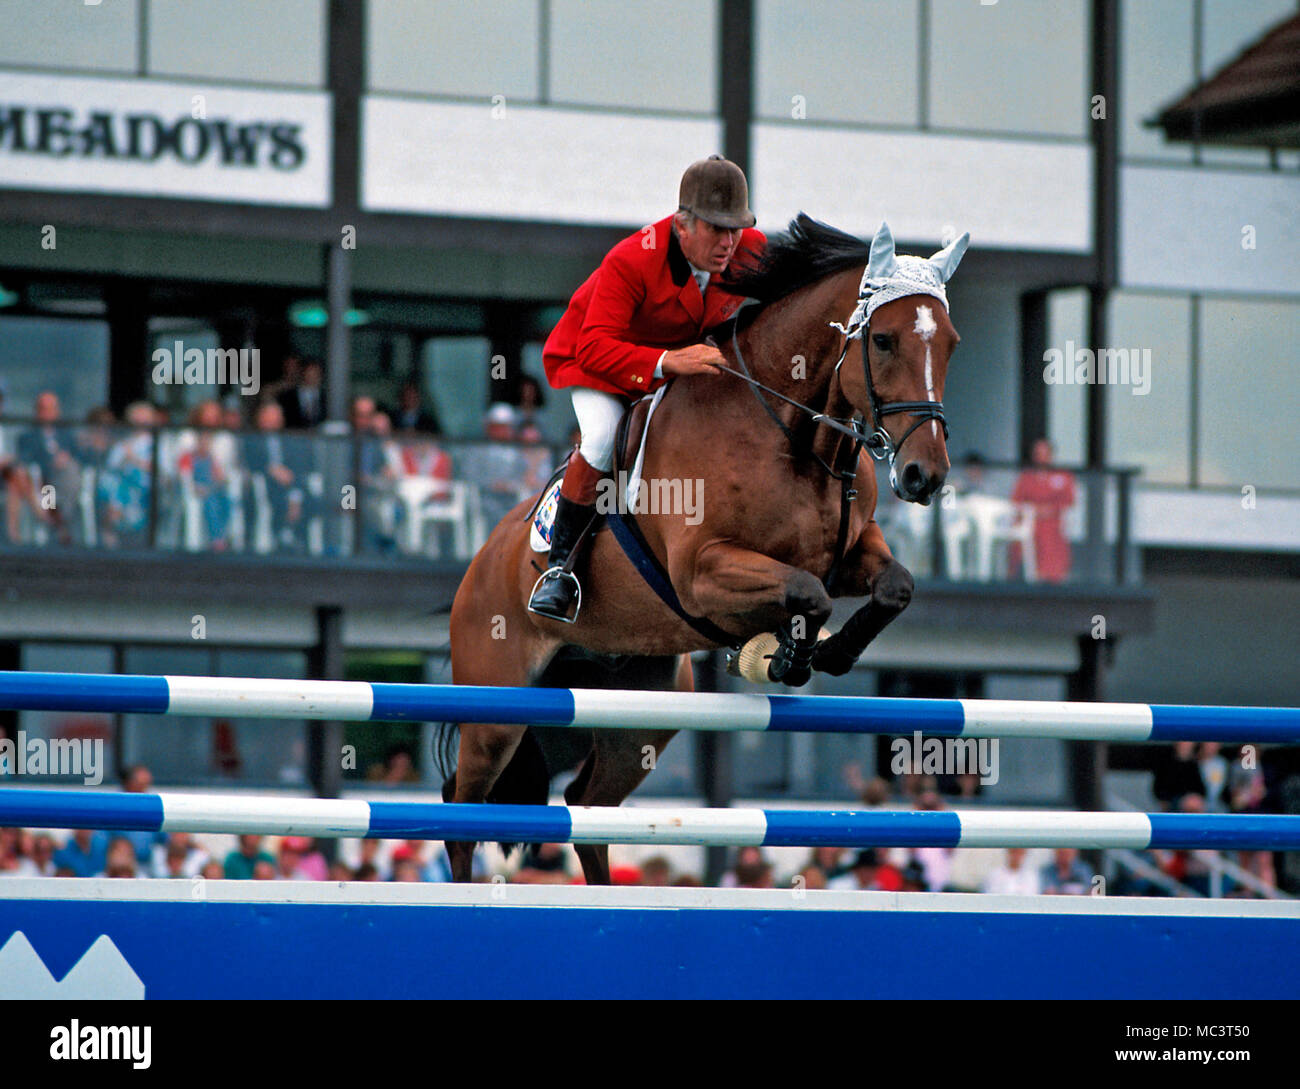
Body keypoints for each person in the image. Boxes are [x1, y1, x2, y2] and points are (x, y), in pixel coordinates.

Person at [528, 155, 765, 620]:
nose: (728, 243)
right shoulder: (632, 258)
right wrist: (667, 362)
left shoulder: (749, 248)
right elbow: (595, 347)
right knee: (601, 437)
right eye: (716, 230)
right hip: (597, 365)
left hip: (679, 366)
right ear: (682, 225)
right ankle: (559, 571)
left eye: (735, 229)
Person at [1010, 438, 1077, 583]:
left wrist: (1048, 510)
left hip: (1054, 523)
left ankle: (1053, 576)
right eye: (1038, 453)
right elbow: (1017, 502)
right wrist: (1032, 511)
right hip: (1030, 522)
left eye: (1044, 453)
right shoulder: (1026, 478)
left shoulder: (1063, 476)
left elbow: (1068, 502)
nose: (1041, 457)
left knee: (1051, 538)